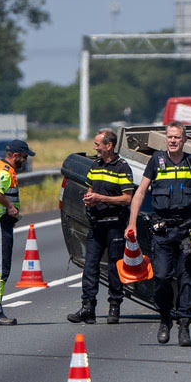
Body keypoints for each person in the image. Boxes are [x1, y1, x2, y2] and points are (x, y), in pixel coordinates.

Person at [126, 120, 191, 347]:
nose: (173, 141)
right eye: (169, 137)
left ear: (184, 139)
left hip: (188, 230)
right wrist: (132, 223)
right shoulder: (155, 162)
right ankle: (165, 318)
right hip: (163, 230)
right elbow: (140, 192)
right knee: (162, 277)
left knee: (188, 279)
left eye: (177, 137)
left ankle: (184, 324)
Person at [67, 128, 135, 324]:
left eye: (98, 144)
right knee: (90, 266)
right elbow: (90, 189)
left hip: (115, 224)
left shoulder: (122, 167)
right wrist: (90, 199)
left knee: (114, 266)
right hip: (96, 224)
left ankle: (114, 307)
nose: (95, 147)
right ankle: (88, 308)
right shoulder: (95, 165)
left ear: (109, 145)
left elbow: (127, 198)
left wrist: (101, 198)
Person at [0, 138, 34, 325]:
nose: (25, 160)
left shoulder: (2, 167)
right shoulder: (4, 172)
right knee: (0, 269)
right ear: (16, 155)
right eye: (24, 157)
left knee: (0, 268)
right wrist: (10, 206)